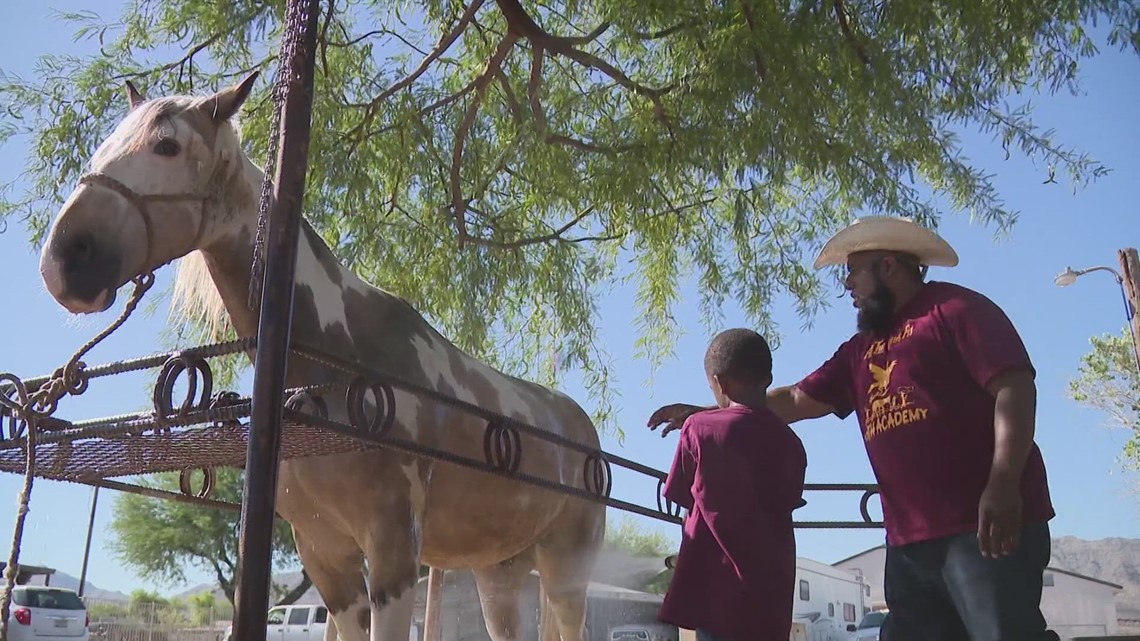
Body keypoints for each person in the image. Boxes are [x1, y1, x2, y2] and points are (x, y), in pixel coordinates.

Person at [647, 216, 1059, 641]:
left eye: (853, 271)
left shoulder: (955, 310)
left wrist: (1003, 482)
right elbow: (794, 399)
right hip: (909, 544)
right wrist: (712, 410)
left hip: (983, 527)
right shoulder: (859, 352)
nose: (847, 285)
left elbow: (1014, 386)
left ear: (888, 266)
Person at [657, 327, 807, 641]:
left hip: (717, 598)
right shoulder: (791, 443)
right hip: (771, 602)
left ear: (720, 383)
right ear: (768, 378)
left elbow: (681, 495)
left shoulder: (698, 428)